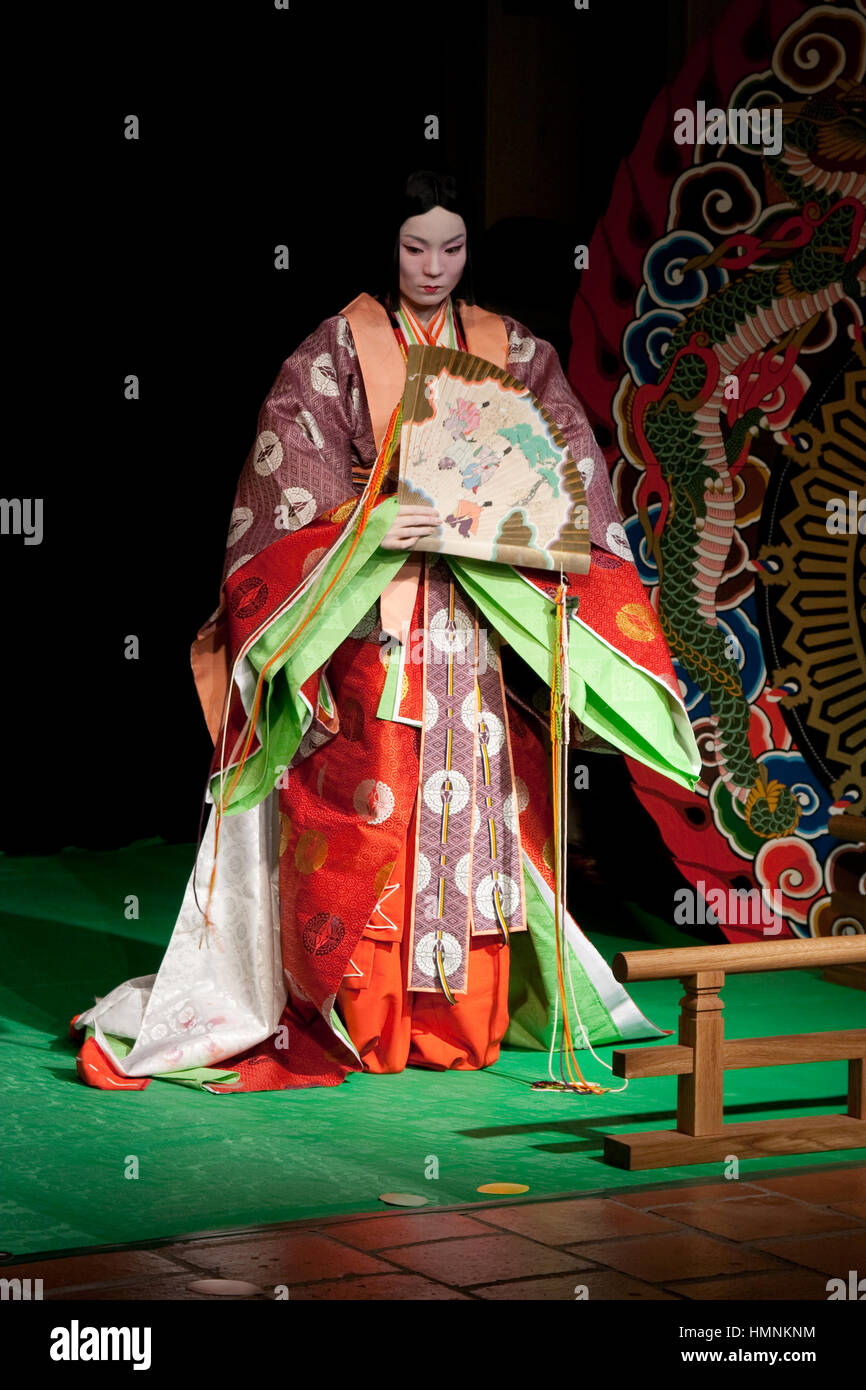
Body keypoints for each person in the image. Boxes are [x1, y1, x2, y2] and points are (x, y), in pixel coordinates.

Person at [71, 171, 700, 1094]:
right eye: (414, 248)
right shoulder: (331, 353)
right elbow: (280, 495)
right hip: (373, 628)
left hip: (482, 629)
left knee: (482, 813)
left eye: (450, 247)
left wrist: (531, 522)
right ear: (388, 249)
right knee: (379, 808)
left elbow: (574, 477)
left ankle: (462, 1018)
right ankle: (354, 1013)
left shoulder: (514, 351)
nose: (433, 266)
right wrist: (369, 526)